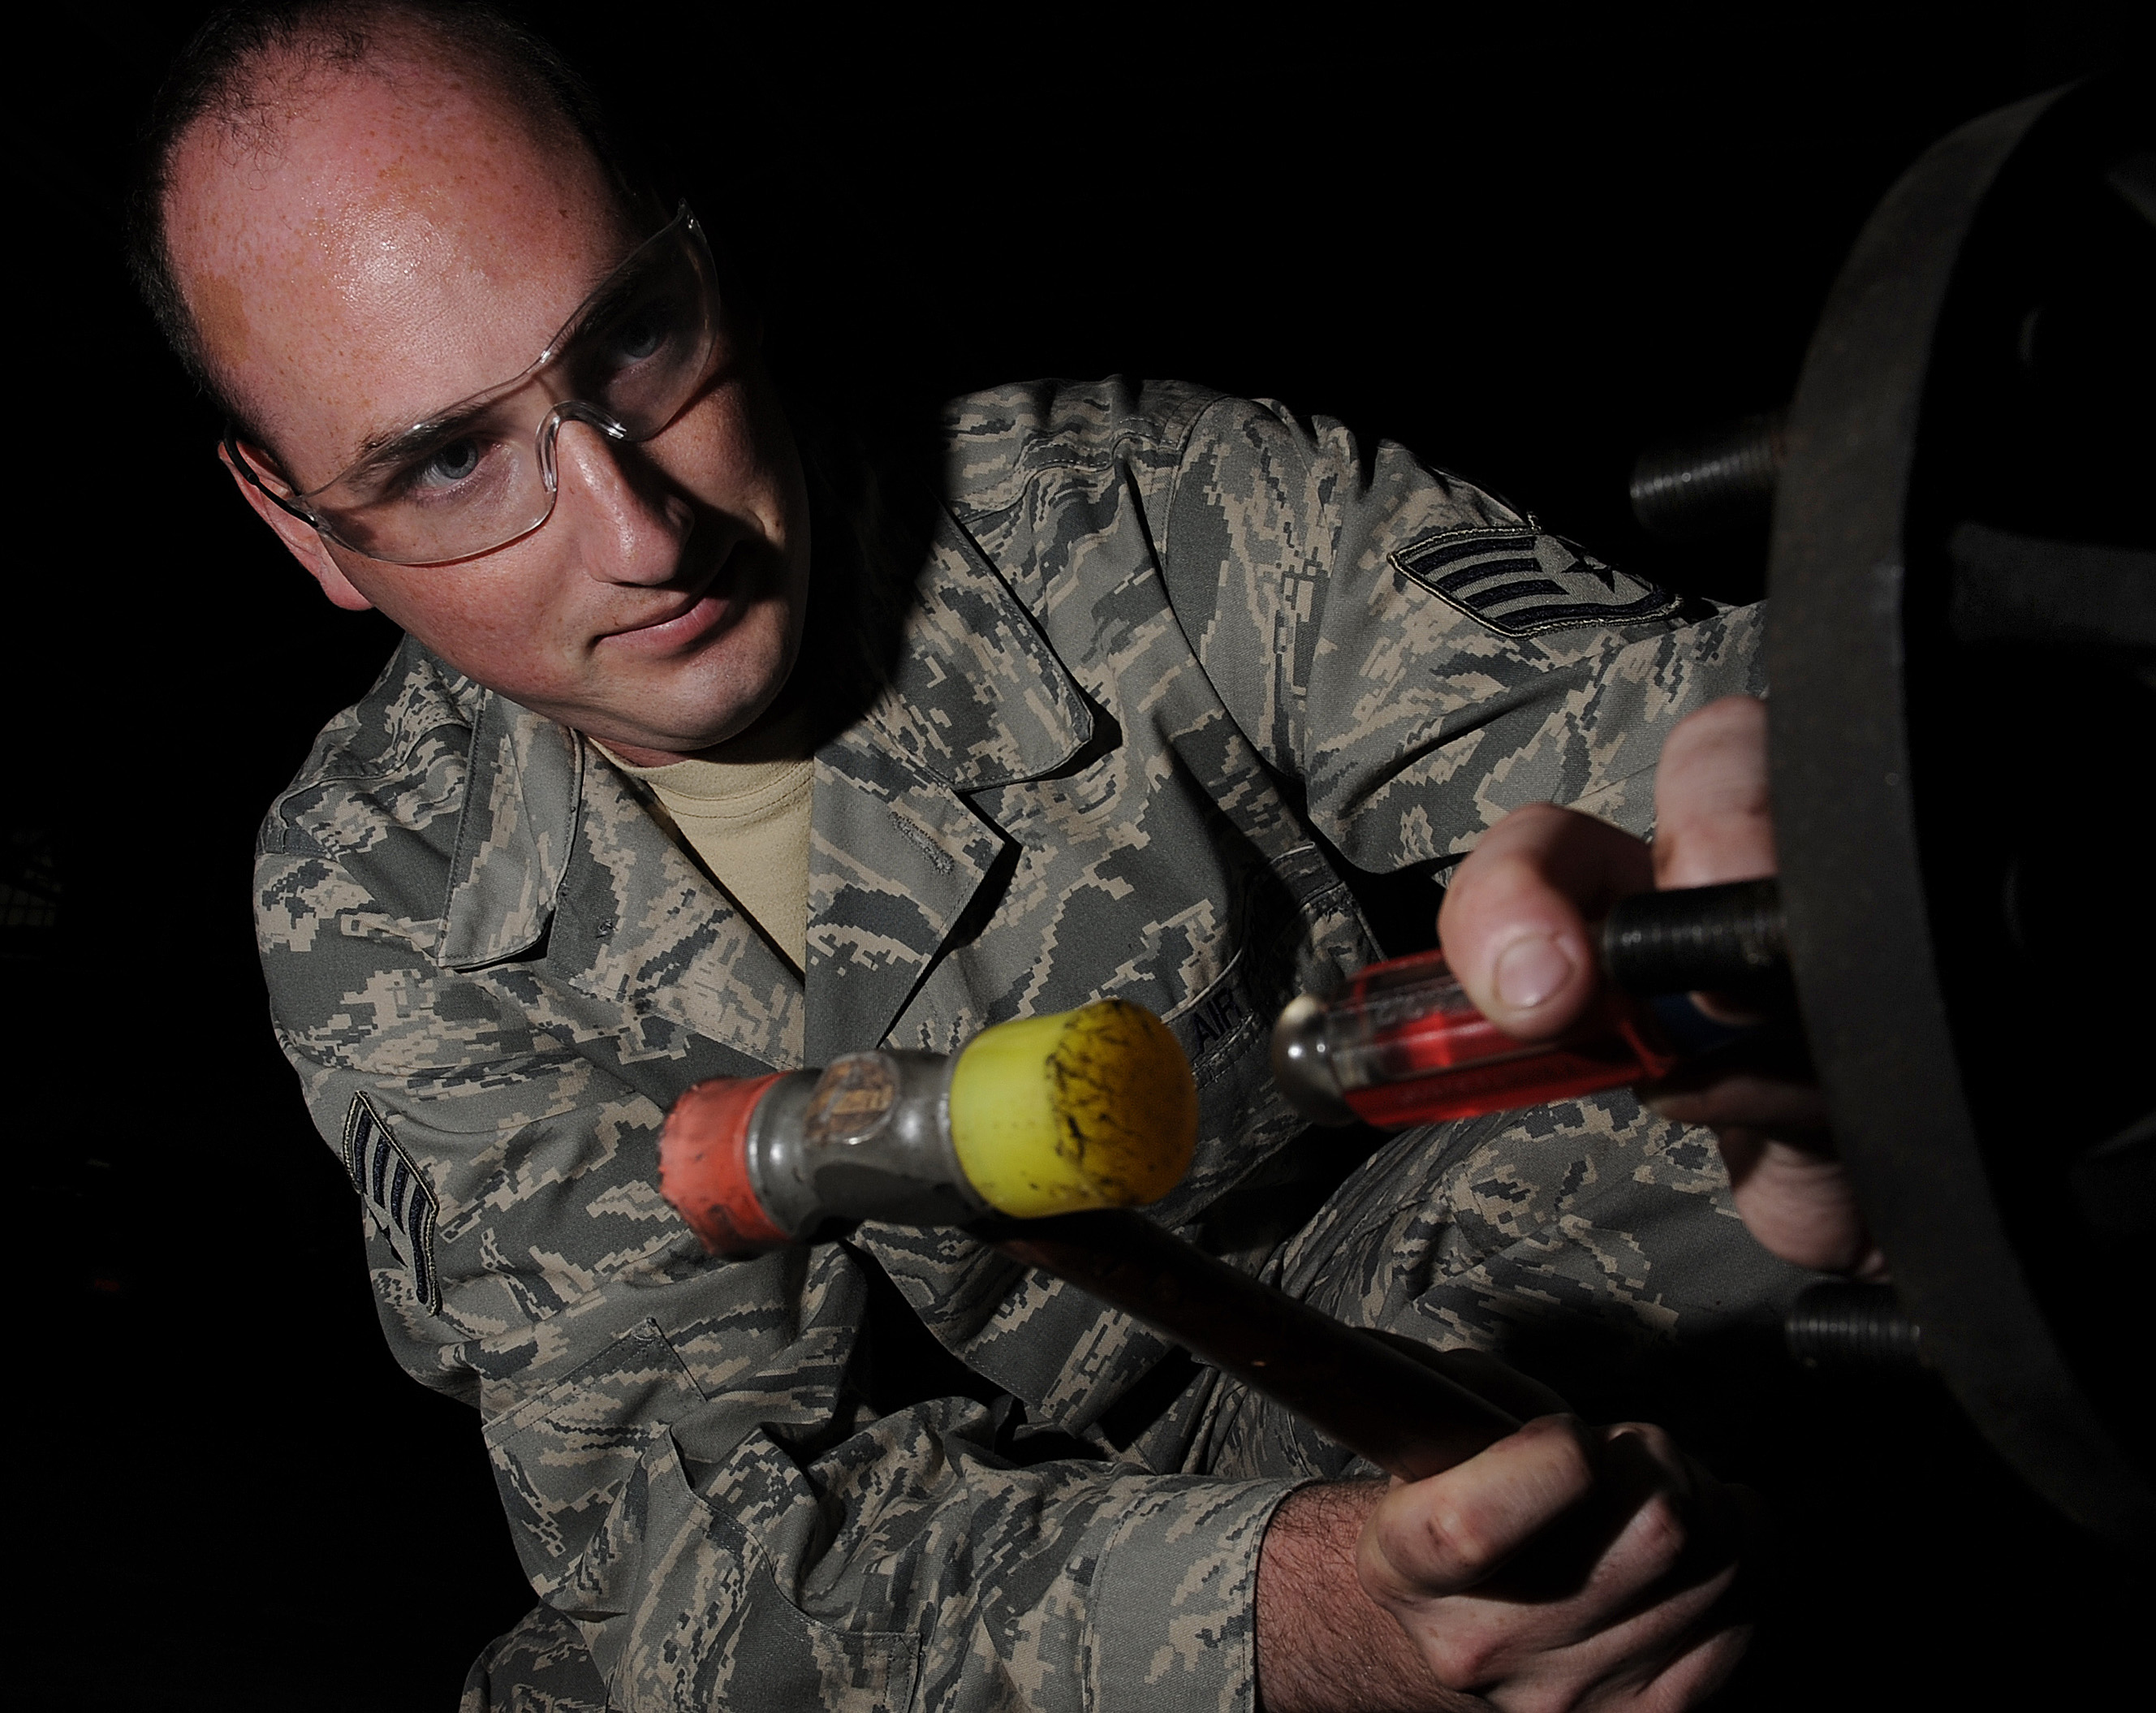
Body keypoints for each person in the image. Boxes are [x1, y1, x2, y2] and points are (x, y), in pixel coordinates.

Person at [132, 3, 1874, 1707]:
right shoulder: (379, 889)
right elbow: (712, 1559)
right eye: (445, 461)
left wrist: (1814, 870)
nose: (634, 528)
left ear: (704, 261)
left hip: (1367, 1310)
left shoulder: (1129, 502)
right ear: (301, 526)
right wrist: (1325, 1620)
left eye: (632, 347)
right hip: (947, 1565)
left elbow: (1701, 735)